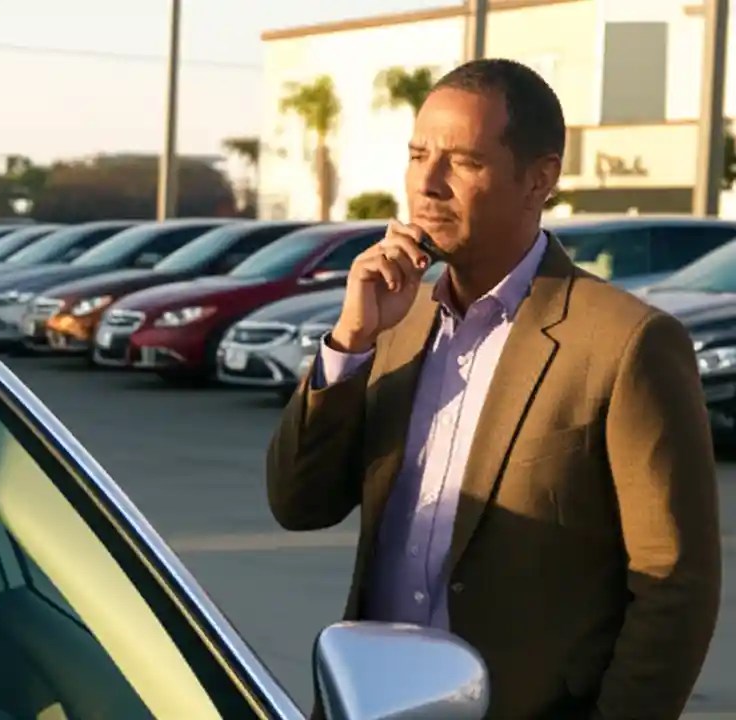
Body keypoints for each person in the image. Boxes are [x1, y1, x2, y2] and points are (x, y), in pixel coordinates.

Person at [266, 58, 721, 719]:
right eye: (418, 155)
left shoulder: (627, 343)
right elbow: (297, 503)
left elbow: (674, 584)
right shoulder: (395, 322)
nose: (427, 183)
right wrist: (350, 343)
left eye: (463, 162)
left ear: (538, 179)